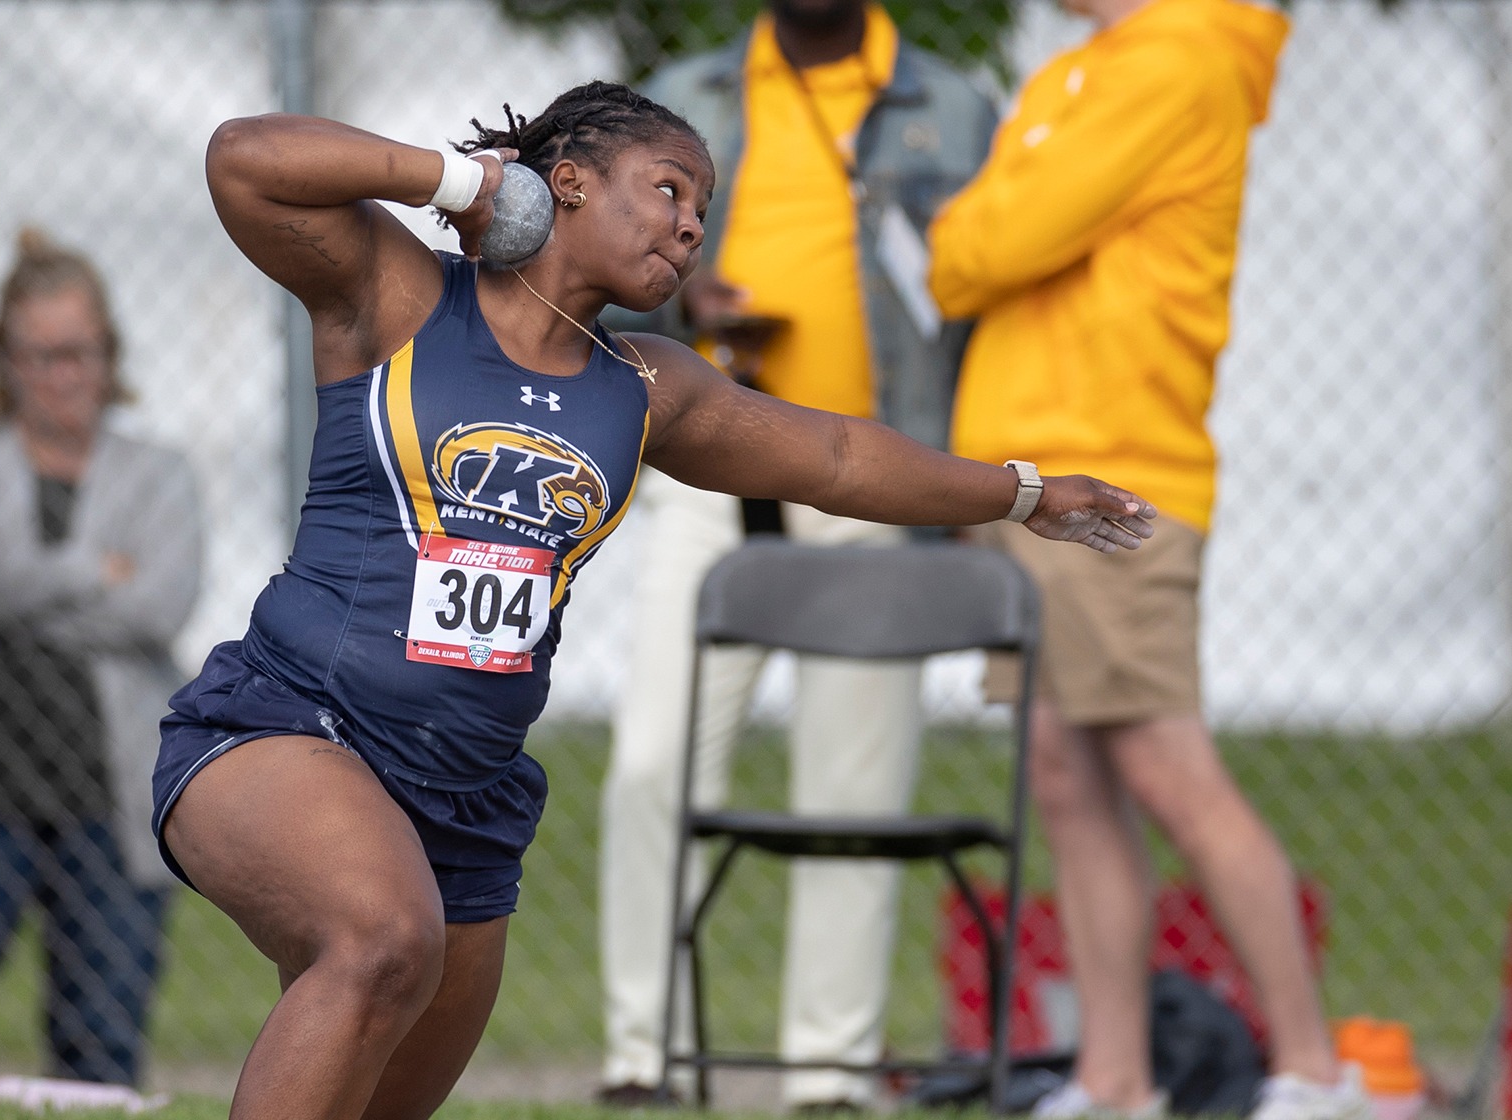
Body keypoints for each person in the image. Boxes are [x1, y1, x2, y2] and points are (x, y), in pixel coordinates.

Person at [153, 82, 1155, 1120]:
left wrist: (1024, 493)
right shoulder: (401, 297)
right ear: (570, 184)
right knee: (379, 939)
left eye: (700, 213)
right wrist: (466, 183)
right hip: (292, 726)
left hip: (462, 800)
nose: (688, 227)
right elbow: (245, 160)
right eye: (668, 189)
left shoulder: (641, 386)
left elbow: (840, 456)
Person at [925, 2, 1366, 1120]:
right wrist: (980, 226)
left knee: (1165, 766)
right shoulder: (1083, 74)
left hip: (1111, 475)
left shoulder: (1172, 62)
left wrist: (982, 223)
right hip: (1029, 476)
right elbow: (964, 248)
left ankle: (1315, 1075)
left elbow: (982, 248)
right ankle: (1112, 1082)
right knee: (1068, 780)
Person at [594, 0, 995, 1107]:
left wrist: (971, 479)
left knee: (851, 792)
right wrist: (687, 301)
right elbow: (610, 270)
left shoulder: (954, 106)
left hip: (871, 479)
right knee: (649, 763)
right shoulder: (687, 93)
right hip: (714, 475)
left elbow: (988, 300)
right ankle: (646, 1057)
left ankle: (828, 1071)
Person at [0, 229, 202, 1087]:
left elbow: (157, 605)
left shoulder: (159, 475)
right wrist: (92, 572)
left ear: (110, 354)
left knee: (99, 1051)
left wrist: (13, 588)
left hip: (111, 802)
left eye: (79, 354)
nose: (61, 376)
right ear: (3, 361)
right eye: (38, 356)